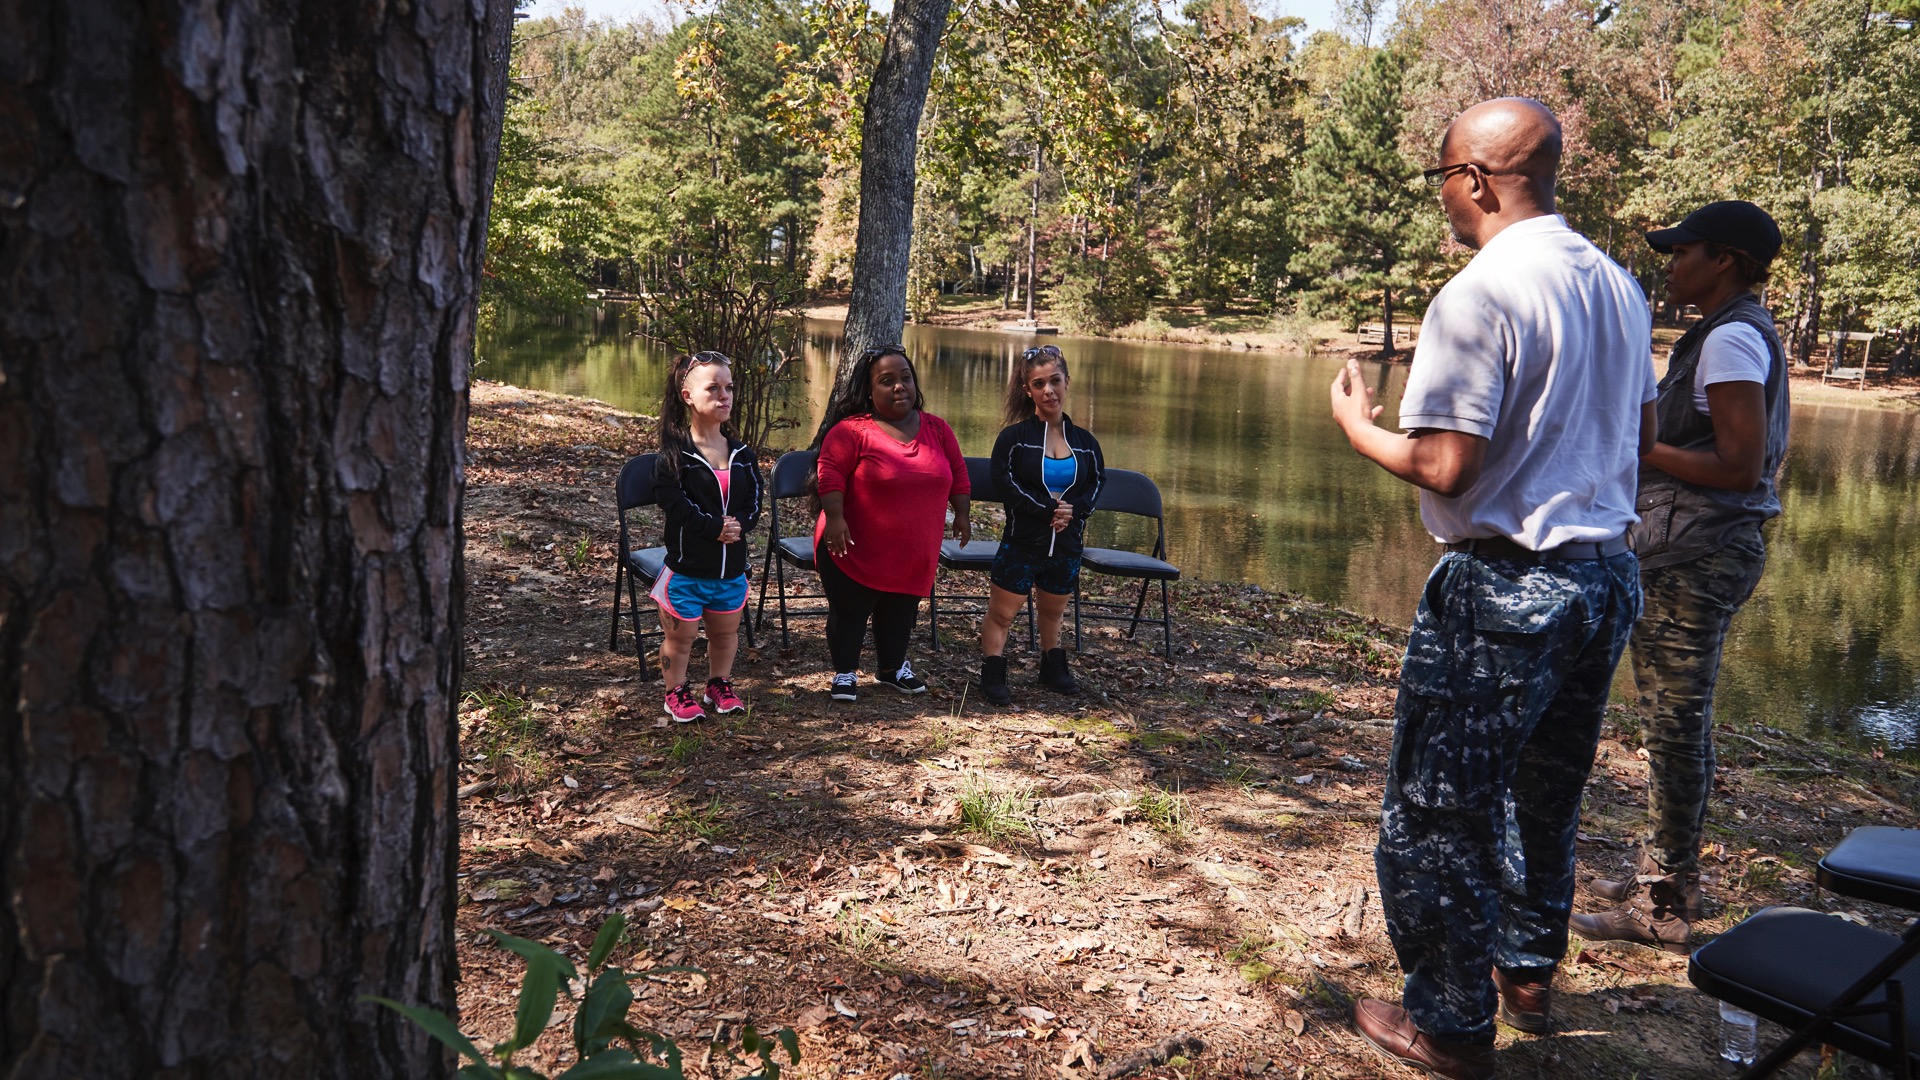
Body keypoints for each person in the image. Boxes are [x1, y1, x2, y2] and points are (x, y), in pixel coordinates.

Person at [1328, 98, 1655, 1080]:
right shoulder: (1620, 287)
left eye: (1442, 178)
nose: (1443, 197)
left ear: (1474, 179)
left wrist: (1358, 427)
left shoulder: (1479, 294)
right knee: (1546, 792)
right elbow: (1639, 442)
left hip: (1507, 587)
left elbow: (1445, 465)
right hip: (1605, 577)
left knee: (1438, 810)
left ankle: (1450, 1026)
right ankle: (1526, 974)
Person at [1570, 201, 1790, 953]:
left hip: (1697, 555)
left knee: (1673, 728)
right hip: (1695, 549)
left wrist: (1637, 445)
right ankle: (1669, 877)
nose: (1670, 265)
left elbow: (1739, 466)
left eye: (1682, 251)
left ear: (1723, 259)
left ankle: (1662, 907)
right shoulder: (1726, 332)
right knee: (1678, 724)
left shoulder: (1730, 339)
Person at [814, 345, 971, 702]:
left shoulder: (938, 429)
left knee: (900, 611)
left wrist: (961, 512)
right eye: (886, 381)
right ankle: (844, 672)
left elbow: (958, 473)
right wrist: (835, 517)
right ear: (869, 391)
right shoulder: (851, 431)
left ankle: (892, 669)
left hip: (913, 551)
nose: (899, 386)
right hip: (855, 546)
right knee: (851, 611)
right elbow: (830, 474)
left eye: (905, 378)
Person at [978, 344, 1106, 705]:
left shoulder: (1086, 443)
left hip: (1066, 544)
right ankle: (993, 671)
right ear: (1027, 390)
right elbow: (1004, 483)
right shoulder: (1013, 439)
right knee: (1002, 613)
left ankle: (1052, 666)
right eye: (1039, 384)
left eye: (1055, 381)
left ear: (1067, 382)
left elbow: (1097, 482)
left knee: (1053, 612)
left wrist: (1074, 511)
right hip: (1023, 542)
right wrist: (1047, 509)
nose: (1048, 390)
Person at [651, 351, 763, 722]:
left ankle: (718, 685)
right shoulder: (675, 454)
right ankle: (675, 692)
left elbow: (754, 500)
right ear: (688, 396)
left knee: (725, 635)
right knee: (680, 639)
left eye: (729, 388)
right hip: (687, 570)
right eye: (713, 388)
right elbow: (674, 504)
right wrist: (713, 527)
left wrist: (739, 524)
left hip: (730, 571)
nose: (724, 395)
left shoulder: (743, 454)